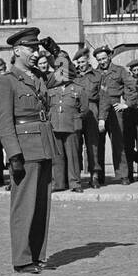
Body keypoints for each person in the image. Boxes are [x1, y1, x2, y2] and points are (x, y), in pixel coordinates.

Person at [0, 27, 57, 273]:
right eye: (31, 48)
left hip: (43, 144)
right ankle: (22, 259)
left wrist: (57, 54)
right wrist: (13, 154)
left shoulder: (38, 77)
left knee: (42, 205)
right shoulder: (5, 81)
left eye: (37, 48)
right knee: (24, 205)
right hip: (24, 148)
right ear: (17, 50)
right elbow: (3, 121)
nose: (35, 52)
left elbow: (69, 75)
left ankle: (37, 255)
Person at [93, 45, 136, 185]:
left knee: (118, 143)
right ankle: (99, 176)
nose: (102, 62)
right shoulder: (94, 73)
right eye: (99, 59)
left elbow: (132, 86)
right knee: (98, 144)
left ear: (109, 57)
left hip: (115, 110)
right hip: (99, 110)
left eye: (104, 58)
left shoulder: (120, 70)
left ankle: (123, 175)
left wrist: (127, 104)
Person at [48, 64, 86, 194]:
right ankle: (58, 183)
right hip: (55, 126)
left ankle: (74, 182)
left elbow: (84, 109)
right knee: (57, 157)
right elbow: (48, 107)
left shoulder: (79, 89)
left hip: (71, 127)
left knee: (73, 156)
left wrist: (74, 118)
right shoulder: (52, 90)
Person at [71, 49, 101, 188]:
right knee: (75, 145)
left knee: (93, 145)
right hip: (76, 112)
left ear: (88, 60)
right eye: (78, 62)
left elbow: (104, 98)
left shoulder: (97, 75)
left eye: (83, 61)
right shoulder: (73, 76)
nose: (81, 64)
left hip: (92, 111)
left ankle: (94, 176)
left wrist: (102, 118)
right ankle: (76, 178)